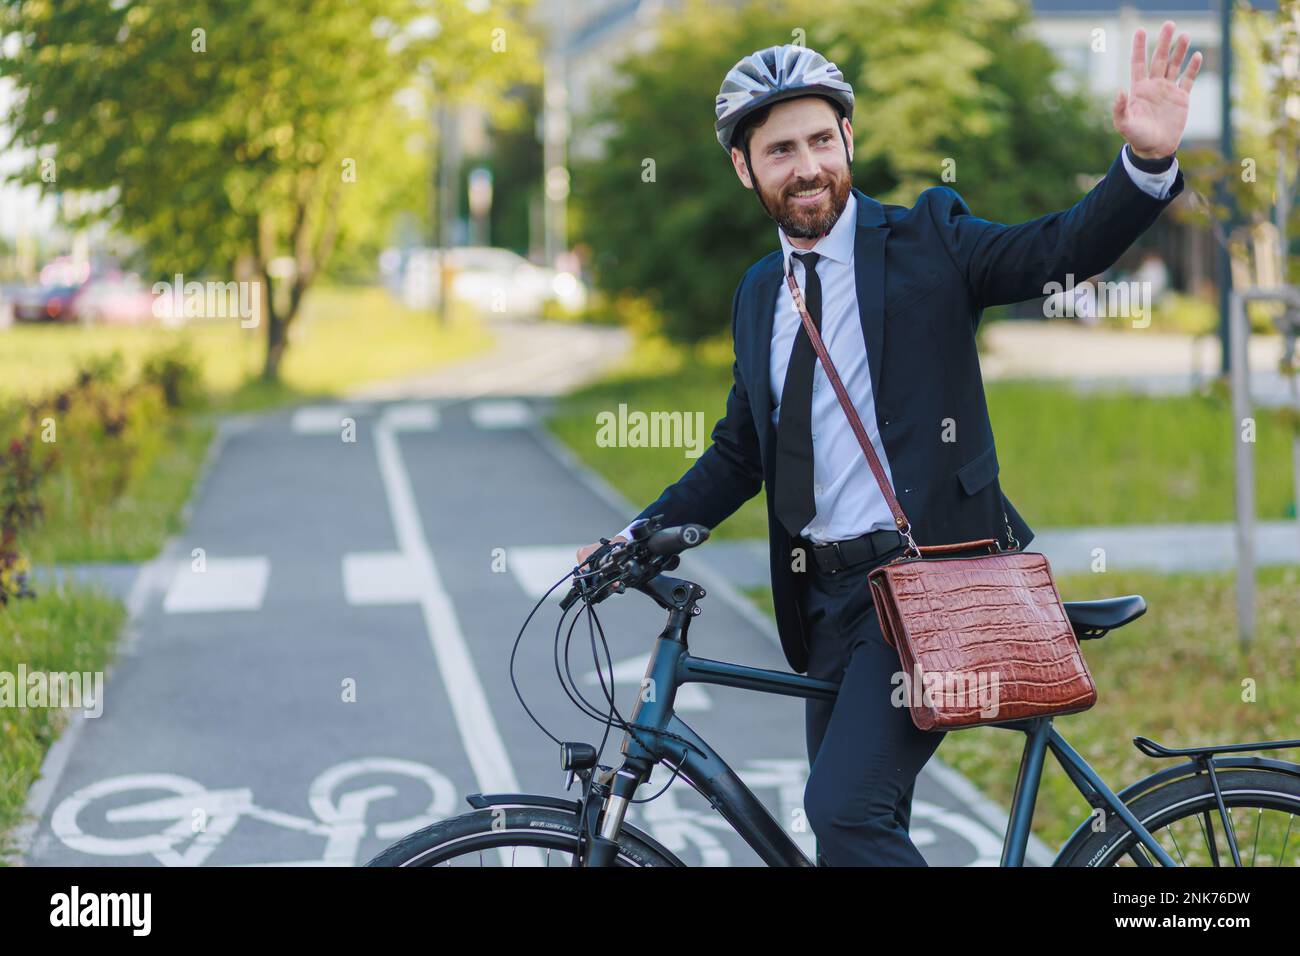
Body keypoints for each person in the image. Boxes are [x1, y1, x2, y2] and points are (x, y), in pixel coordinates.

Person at [577, 23, 1201, 866]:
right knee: (855, 839)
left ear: (848, 140)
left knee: (845, 813)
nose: (807, 166)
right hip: (828, 608)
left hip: (931, 587)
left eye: (820, 141)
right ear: (745, 167)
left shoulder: (929, 240)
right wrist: (630, 540)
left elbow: (1059, 250)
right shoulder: (761, 293)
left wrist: (1145, 167)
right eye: (781, 150)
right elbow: (740, 452)